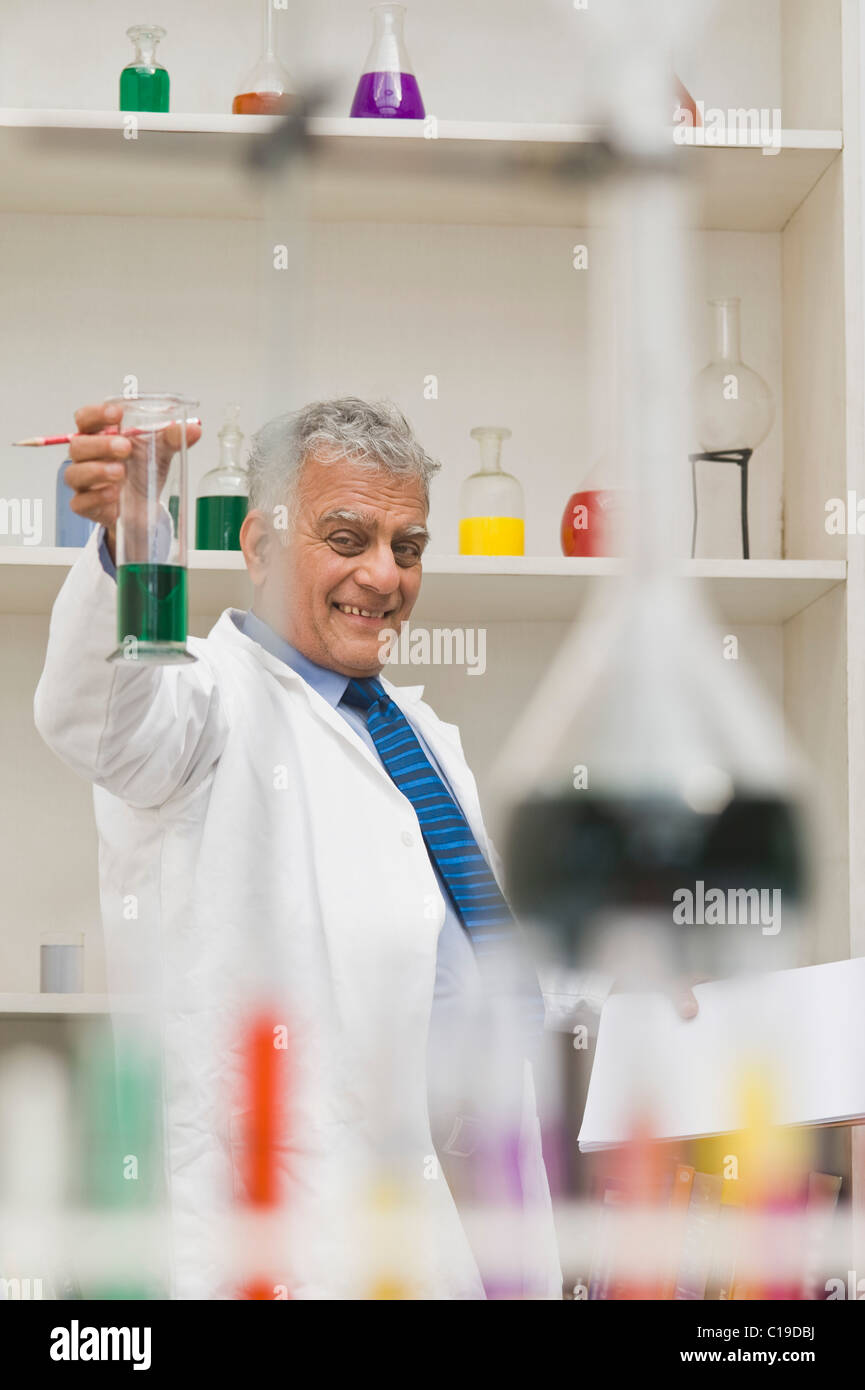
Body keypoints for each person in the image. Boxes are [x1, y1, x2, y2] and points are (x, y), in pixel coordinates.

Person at [35, 396, 695, 1300]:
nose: (383, 577)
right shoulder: (202, 707)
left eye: (408, 546)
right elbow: (96, 724)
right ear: (260, 547)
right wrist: (134, 546)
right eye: (347, 539)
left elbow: (469, 969)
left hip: (465, 1229)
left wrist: (613, 965)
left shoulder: (415, 737)